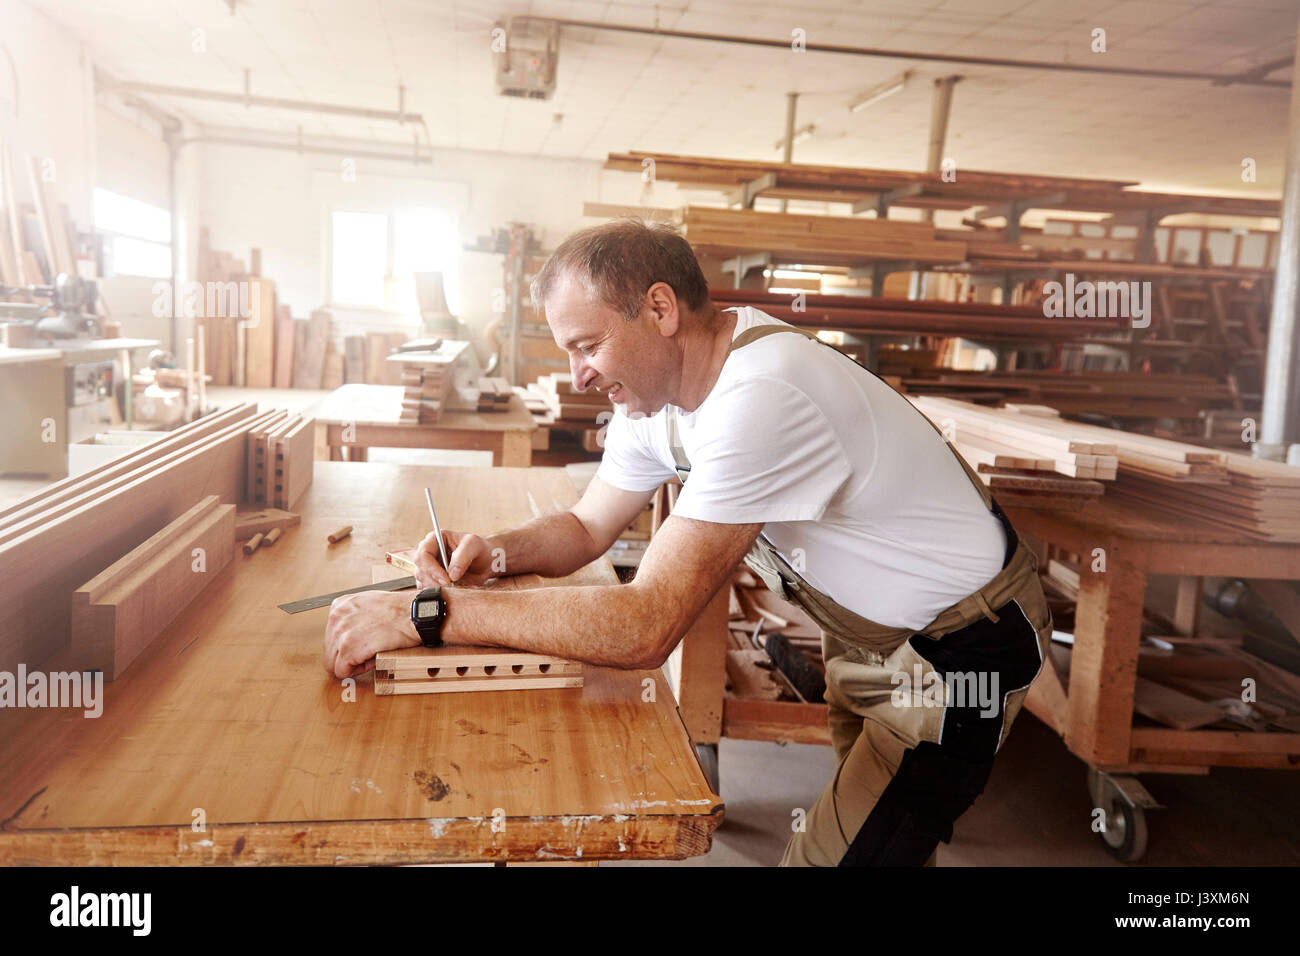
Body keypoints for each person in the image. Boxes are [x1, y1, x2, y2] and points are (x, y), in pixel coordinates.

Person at [322, 218, 1053, 866]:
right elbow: (584, 527)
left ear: (660, 309)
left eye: (588, 345)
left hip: (959, 653)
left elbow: (644, 625)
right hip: (866, 638)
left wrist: (432, 615)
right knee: (882, 842)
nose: (577, 376)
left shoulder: (763, 394)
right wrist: (495, 552)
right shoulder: (658, 400)